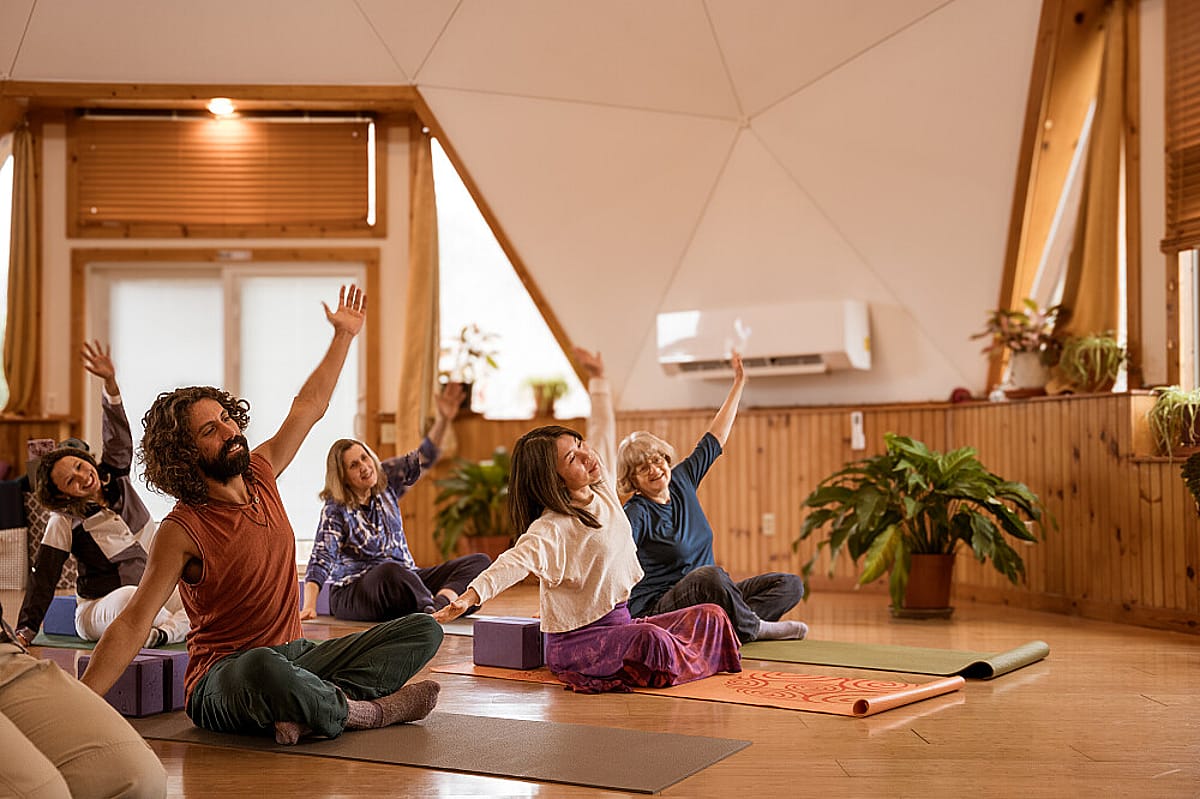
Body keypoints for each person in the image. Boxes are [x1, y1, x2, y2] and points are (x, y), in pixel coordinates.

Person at [80, 285, 444, 746]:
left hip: (295, 656)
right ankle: (365, 712)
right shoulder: (182, 527)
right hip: (224, 676)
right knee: (262, 666)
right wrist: (82, 701)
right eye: (210, 431)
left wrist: (344, 338)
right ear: (185, 455)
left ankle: (301, 706)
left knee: (423, 629)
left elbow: (308, 408)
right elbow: (134, 620)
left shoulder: (261, 472)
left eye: (227, 419)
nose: (230, 431)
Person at [434, 348, 741, 694]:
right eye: (572, 458)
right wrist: (468, 597)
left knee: (711, 615)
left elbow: (603, 429)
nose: (586, 455)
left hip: (622, 624)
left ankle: (684, 661)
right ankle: (691, 661)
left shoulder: (603, 491)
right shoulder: (552, 527)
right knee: (652, 640)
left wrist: (597, 380)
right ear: (554, 477)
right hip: (578, 644)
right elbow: (513, 562)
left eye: (581, 445)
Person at [617, 352, 808, 644]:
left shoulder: (682, 479)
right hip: (660, 608)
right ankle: (752, 629)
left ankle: (726, 631)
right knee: (711, 576)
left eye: (658, 461)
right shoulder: (637, 513)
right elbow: (611, 559)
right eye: (644, 469)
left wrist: (739, 384)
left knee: (789, 585)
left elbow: (715, 437)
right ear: (633, 481)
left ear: (667, 459)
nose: (655, 470)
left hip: (711, 597)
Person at [14, 341, 189, 651]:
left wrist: (110, 383)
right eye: (71, 480)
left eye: (80, 466)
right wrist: (26, 630)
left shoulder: (115, 478)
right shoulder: (64, 521)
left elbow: (118, 436)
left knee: (194, 595)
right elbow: (45, 576)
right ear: (62, 494)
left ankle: (159, 634)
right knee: (131, 598)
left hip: (150, 593)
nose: (83, 476)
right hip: (101, 609)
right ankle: (168, 629)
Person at [302, 382, 490, 621]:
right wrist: (309, 605)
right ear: (343, 477)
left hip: (405, 580)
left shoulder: (386, 481)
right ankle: (435, 608)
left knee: (479, 562)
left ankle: (439, 606)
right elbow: (321, 556)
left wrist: (443, 419)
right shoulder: (335, 508)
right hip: (357, 591)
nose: (364, 467)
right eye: (353, 465)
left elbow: (426, 456)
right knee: (390, 571)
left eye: (364, 458)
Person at [0, 600, 167, 798]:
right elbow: (45, 574)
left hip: (5, 655)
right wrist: (28, 626)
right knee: (42, 793)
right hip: (92, 608)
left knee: (140, 781)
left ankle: (165, 633)